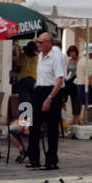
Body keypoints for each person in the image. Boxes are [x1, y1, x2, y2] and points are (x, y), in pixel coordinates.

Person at [28, 30, 67, 171]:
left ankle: (51, 161)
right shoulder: (40, 56)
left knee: (51, 129)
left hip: (52, 91)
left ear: (49, 43)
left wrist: (49, 98)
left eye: (41, 42)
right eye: (37, 42)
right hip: (39, 89)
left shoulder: (56, 57)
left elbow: (59, 80)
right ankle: (34, 158)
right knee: (33, 126)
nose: (38, 44)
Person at [75, 43, 92, 117]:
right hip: (86, 86)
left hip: (79, 86)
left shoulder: (80, 60)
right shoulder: (88, 62)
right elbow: (90, 77)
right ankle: (87, 121)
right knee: (90, 107)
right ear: (91, 53)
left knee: (83, 106)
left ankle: (81, 121)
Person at [63, 44, 83, 125]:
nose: (72, 54)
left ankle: (77, 120)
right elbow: (67, 71)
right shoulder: (70, 61)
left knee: (77, 101)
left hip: (78, 82)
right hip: (72, 83)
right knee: (72, 99)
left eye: (73, 52)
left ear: (76, 52)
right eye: (71, 52)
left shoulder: (80, 59)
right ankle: (75, 119)